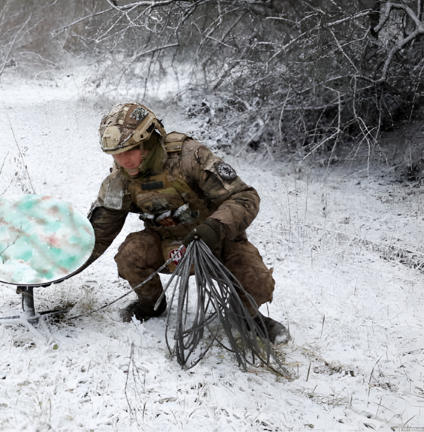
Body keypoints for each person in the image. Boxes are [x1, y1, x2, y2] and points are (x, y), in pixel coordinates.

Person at [83, 102, 289, 344]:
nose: (123, 160)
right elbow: (97, 234)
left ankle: (246, 317)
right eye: (116, 154)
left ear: (148, 142)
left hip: (218, 241)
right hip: (167, 245)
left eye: (130, 151)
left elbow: (245, 197)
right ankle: (151, 305)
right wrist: (55, 270)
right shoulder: (120, 179)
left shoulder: (189, 157)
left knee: (257, 281)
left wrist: (215, 227)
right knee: (130, 254)